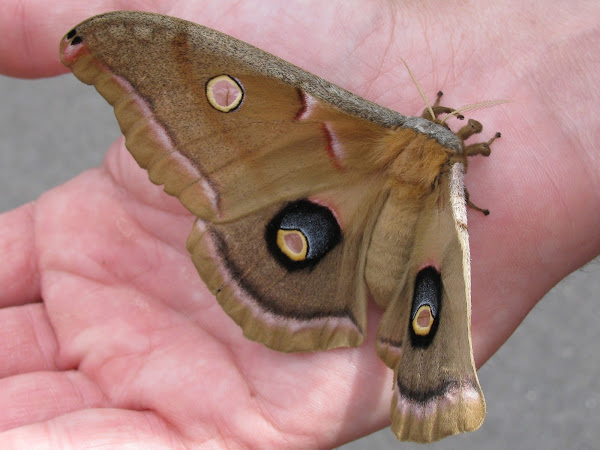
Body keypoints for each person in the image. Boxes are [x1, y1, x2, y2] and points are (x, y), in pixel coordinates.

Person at [0, 1, 598, 447]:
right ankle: (429, 379)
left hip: (347, 217)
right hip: (399, 226)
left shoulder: (373, 137)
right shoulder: (446, 162)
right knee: (433, 286)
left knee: (425, 293)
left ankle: (431, 381)